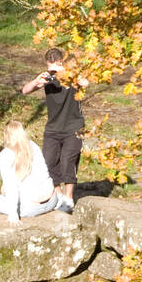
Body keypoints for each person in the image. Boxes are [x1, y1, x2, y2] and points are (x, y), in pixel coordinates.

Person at [20, 46, 88, 213]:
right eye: (49, 67)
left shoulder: (72, 76)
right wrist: (37, 82)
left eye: (54, 67)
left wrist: (64, 72)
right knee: (49, 162)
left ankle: (69, 198)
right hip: (53, 128)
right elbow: (25, 90)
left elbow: (85, 82)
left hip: (74, 126)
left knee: (68, 161)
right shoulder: (47, 78)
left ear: (60, 63)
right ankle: (58, 197)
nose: (52, 72)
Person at [0, 121, 58, 224]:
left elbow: (11, 187)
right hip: (52, 200)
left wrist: (13, 214)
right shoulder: (33, 146)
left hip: (31, 208)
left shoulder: (5, 155)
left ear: (6, 136)